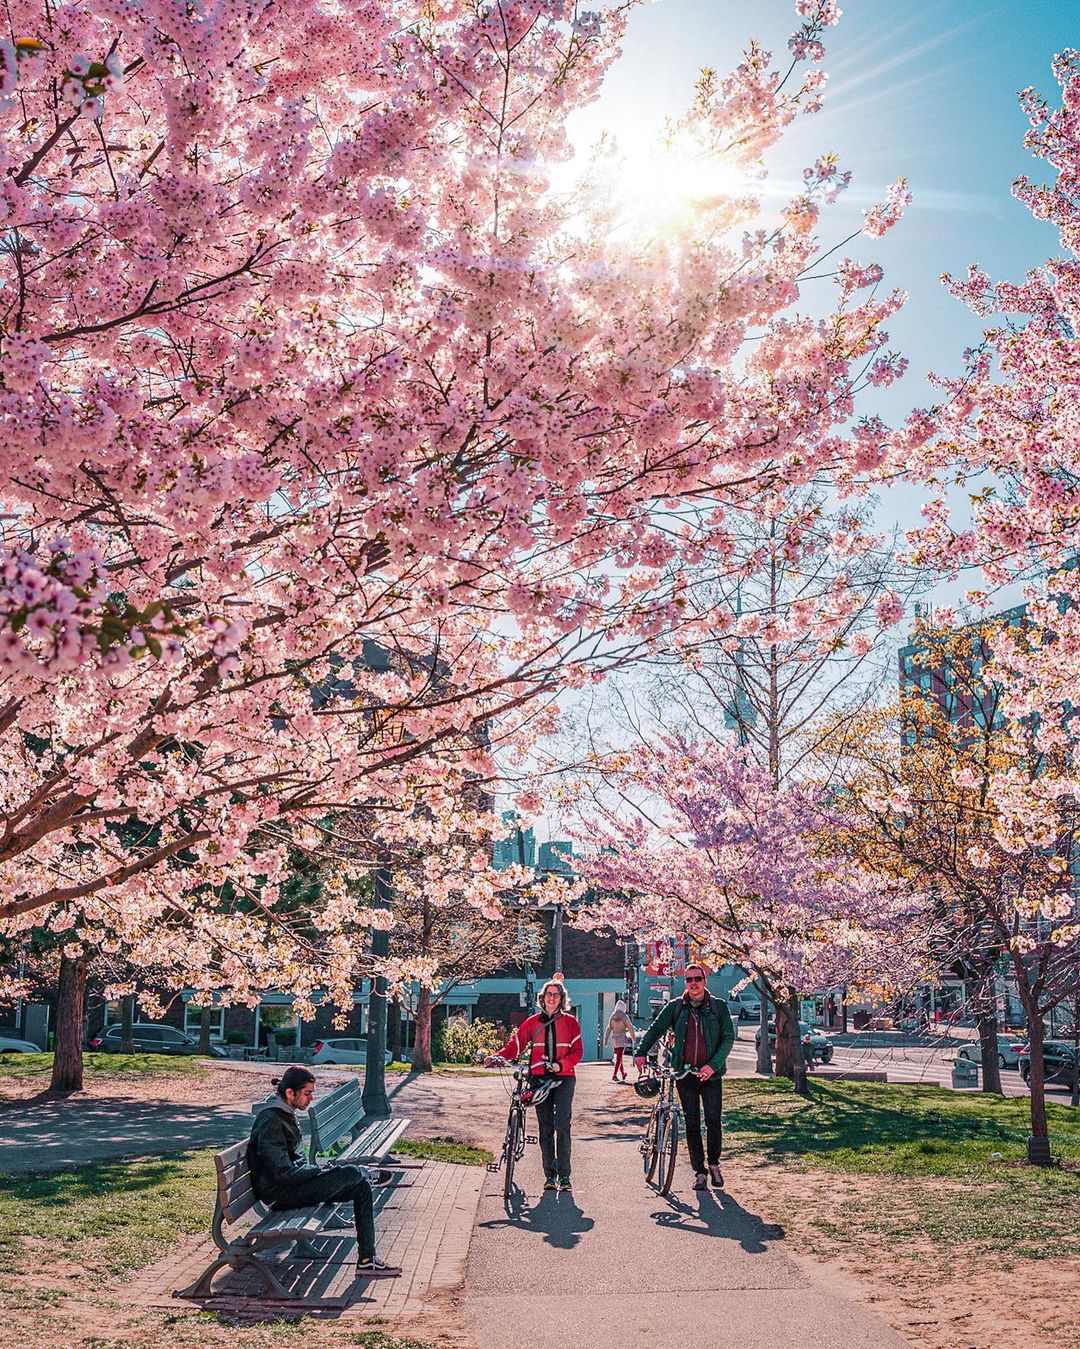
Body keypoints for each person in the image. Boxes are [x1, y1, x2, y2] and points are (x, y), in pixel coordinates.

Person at [248, 1065, 401, 1278]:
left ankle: (367, 1260)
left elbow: (295, 1163)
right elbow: (283, 1173)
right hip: (280, 1194)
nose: (311, 1099)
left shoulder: (284, 1114)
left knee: (361, 1187)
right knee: (349, 1173)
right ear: (290, 1093)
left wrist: (317, 1173)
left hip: (292, 1186)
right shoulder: (271, 1121)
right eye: (307, 1093)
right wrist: (318, 1174)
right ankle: (361, 1171)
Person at [634, 965, 735, 1191]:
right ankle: (699, 1172)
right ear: (685, 982)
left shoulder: (718, 1007)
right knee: (691, 1124)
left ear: (705, 980)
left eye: (698, 978)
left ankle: (714, 1165)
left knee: (713, 1121)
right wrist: (641, 1052)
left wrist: (712, 1065)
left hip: (711, 1074)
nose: (693, 983)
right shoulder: (676, 1007)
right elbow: (655, 1029)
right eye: (689, 979)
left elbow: (728, 1038)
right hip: (685, 1073)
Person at [488, 978, 583, 1192]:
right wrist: (497, 1056)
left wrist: (561, 1065)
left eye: (555, 994)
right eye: (548, 994)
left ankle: (564, 1176)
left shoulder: (571, 1022)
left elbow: (578, 1051)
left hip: (564, 1078)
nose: (551, 997)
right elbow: (516, 1045)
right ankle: (550, 1175)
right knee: (546, 1127)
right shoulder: (532, 1022)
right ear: (542, 998)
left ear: (562, 999)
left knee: (562, 1126)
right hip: (538, 1079)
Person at [604, 999, 635, 1081]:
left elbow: (608, 1029)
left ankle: (623, 1074)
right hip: (622, 1039)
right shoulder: (625, 1017)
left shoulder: (612, 1016)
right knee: (619, 1058)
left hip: (614, 1039)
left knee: (619, 1057)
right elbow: (630, 1027)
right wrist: (633, 1038)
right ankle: (614, 1075)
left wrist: (606, 1040)